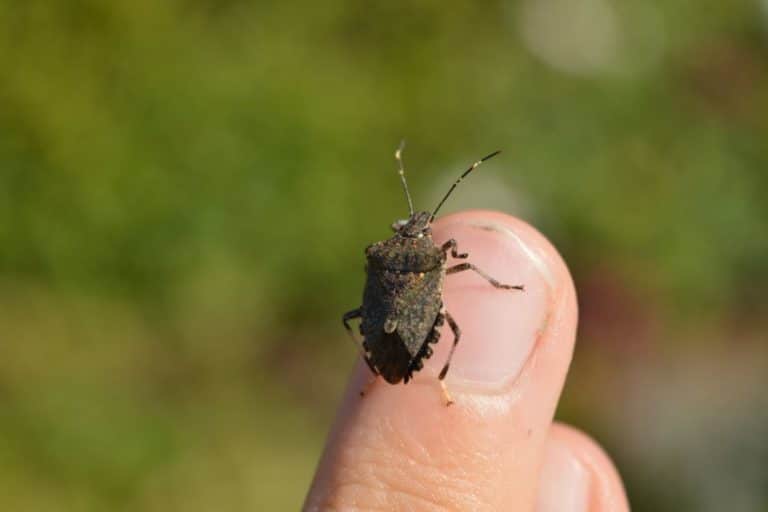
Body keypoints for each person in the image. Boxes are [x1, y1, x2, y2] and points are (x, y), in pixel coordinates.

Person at [304, 211, 629, 511]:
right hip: (408, 333)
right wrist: (459, 257)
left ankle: (379, 372)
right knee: (456, 332)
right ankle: (442, 380)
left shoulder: (379, 256)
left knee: (349, 319)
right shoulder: (434, 257)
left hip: (377, 332)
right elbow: (461, 258)